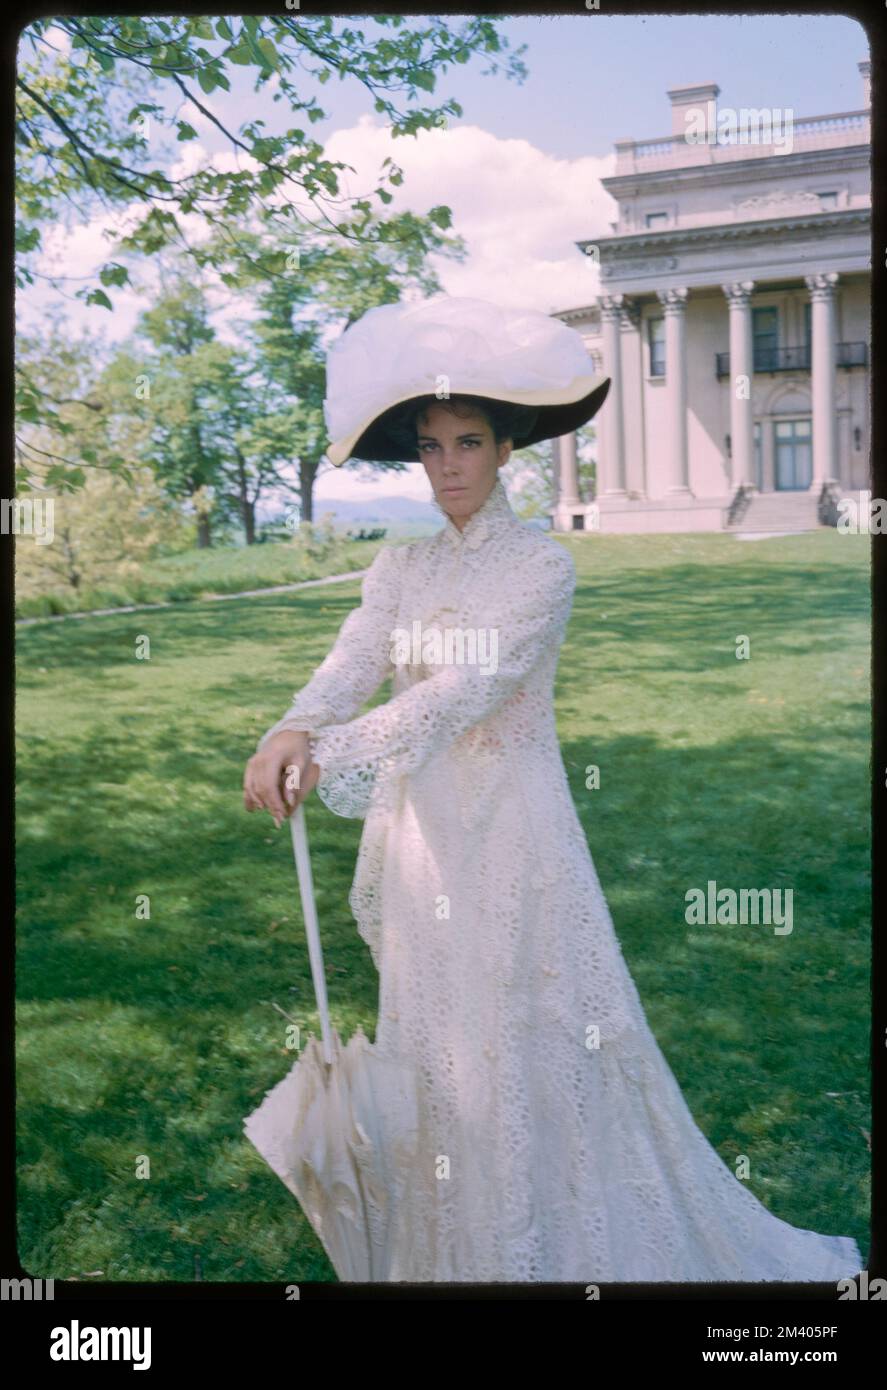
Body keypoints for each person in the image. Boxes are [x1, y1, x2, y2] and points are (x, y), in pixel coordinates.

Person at [242, 296, 864, 1282]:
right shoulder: (397, 567)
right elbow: (350, 659)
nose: (448, 463)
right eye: (432, 445)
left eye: (469, 442)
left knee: (531, 1040)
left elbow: (463, 691)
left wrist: (337, 751)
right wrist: (290, 726)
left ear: (502, 451)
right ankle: (451, 1245)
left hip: (512, 840)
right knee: (437, 1052)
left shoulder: (541, 565)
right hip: (421, 843)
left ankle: (550, 1237)